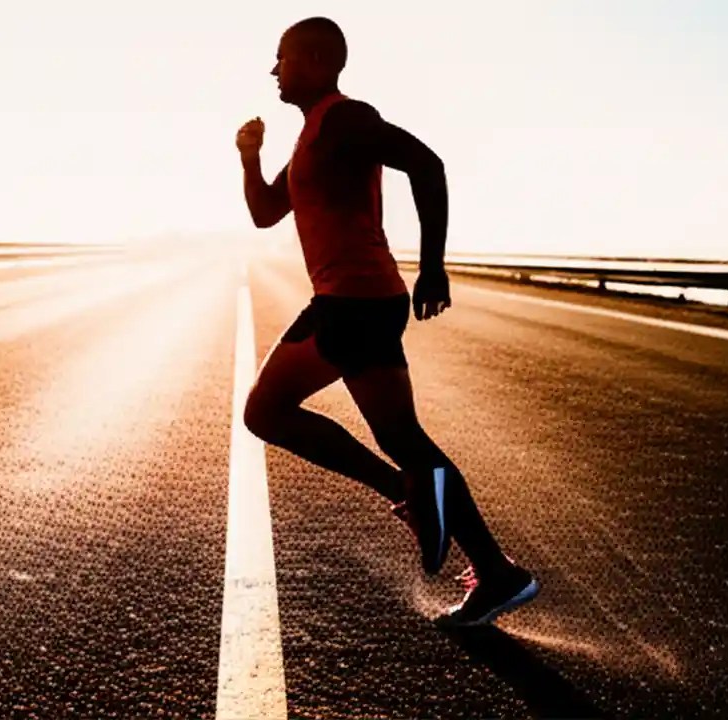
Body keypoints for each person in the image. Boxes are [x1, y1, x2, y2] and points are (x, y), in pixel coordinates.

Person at [235, 16, 538, 626]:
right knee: (401, 439)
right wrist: (249, 157)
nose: (274, 70)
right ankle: (496, 571)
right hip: (352, 301)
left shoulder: (346, 120)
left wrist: (433, 268)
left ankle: (412, 497)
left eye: (283, 59)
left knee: (269, 413)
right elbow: (268, 213)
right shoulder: (310, 140)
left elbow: (427, 165)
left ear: (317, 60)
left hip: (357, 300)